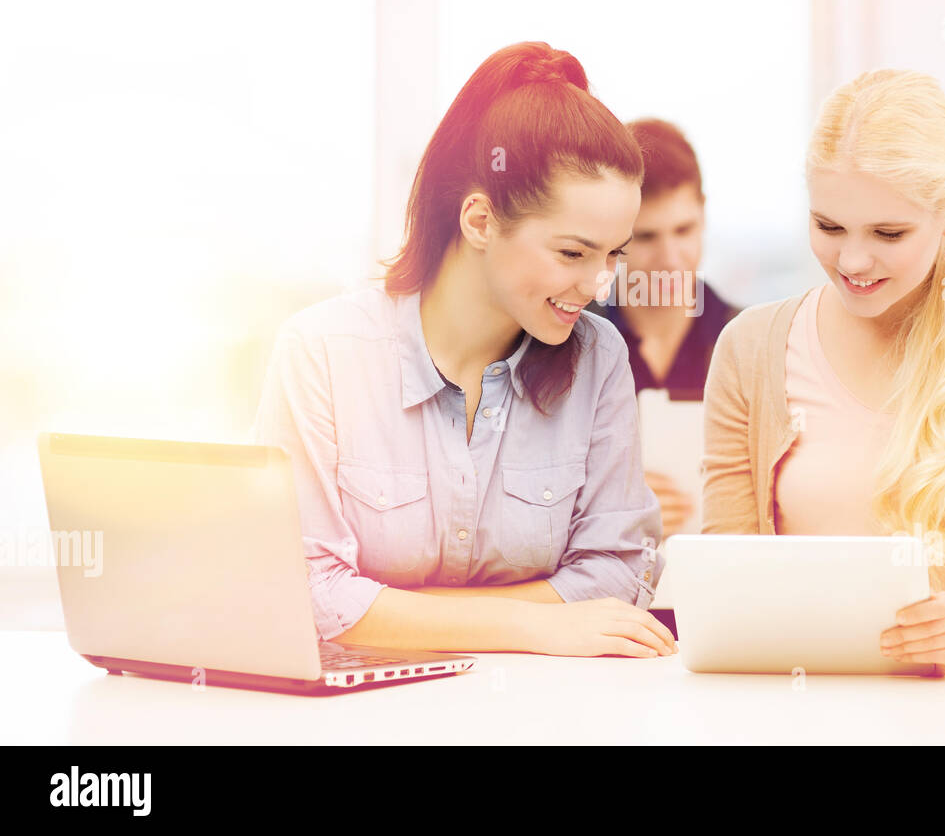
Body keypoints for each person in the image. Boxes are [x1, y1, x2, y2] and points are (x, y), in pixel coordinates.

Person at [252, 42, 676, 658]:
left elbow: (619, 574)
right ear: (479, 221)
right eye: (573, 253)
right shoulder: (320, 353)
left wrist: (391, 612)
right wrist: (532, 623)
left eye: (614, 254)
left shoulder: (598, 356)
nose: (598, 285)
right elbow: (306, 592)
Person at [702, 69, 945, 676]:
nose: (853, 261)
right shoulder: (750, 349)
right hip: (793, 701)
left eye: (889, 233)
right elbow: (727, 573)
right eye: (829, 227)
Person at [587, 118, 740, 538]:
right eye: (647, 237)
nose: (671, 259)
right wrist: (616, 502)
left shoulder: (749, 343)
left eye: (684, 230)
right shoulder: (570, 344)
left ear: (704, 212)